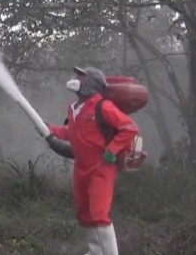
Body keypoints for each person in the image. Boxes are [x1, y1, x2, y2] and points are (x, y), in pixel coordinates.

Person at [47, 66, 140, 255]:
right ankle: (96, 251)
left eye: (81, 76)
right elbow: (72, 132)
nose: (76, 78)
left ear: (91, 83)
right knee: (84, 213)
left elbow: (130, 128)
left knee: (99, 213)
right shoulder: (74, 107)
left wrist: (112, 149)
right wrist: (51, 129)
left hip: (101, 167)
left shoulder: (102, 106)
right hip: (81, 167)